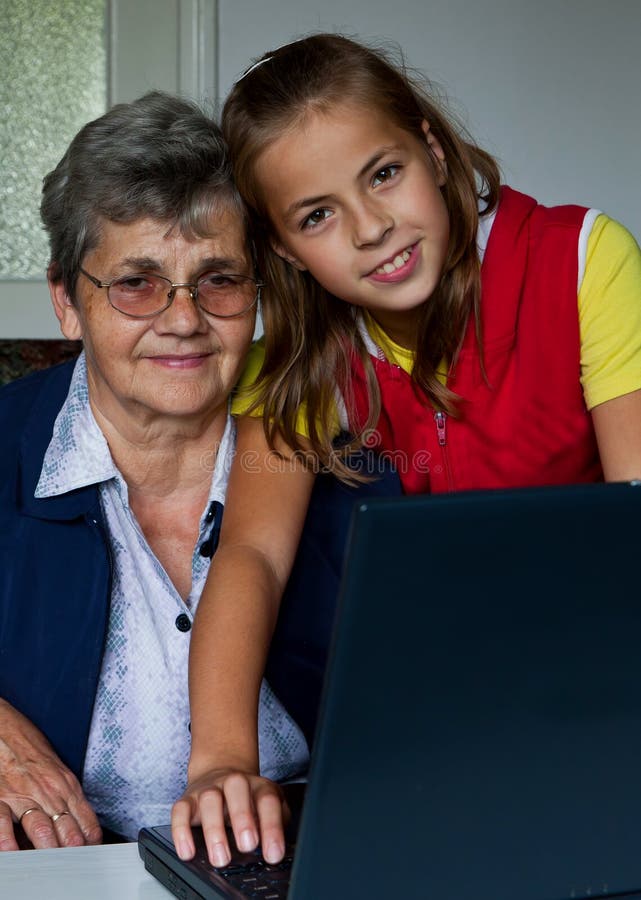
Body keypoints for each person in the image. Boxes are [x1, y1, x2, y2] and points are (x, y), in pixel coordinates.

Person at [171, 31, 641, 866]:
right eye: (317, 215)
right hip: (421, 739)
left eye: (382, 174)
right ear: (284, 248)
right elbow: (251, 556)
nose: (371, 229)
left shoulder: (580, 261)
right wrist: (221, 761)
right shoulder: (301, 364)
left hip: (597, 702)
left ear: (429, 145)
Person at [0, 90, 319, 851]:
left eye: (219, 279)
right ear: (67, 302)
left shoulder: (333, 460)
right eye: (136, 282)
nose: (183, 319)